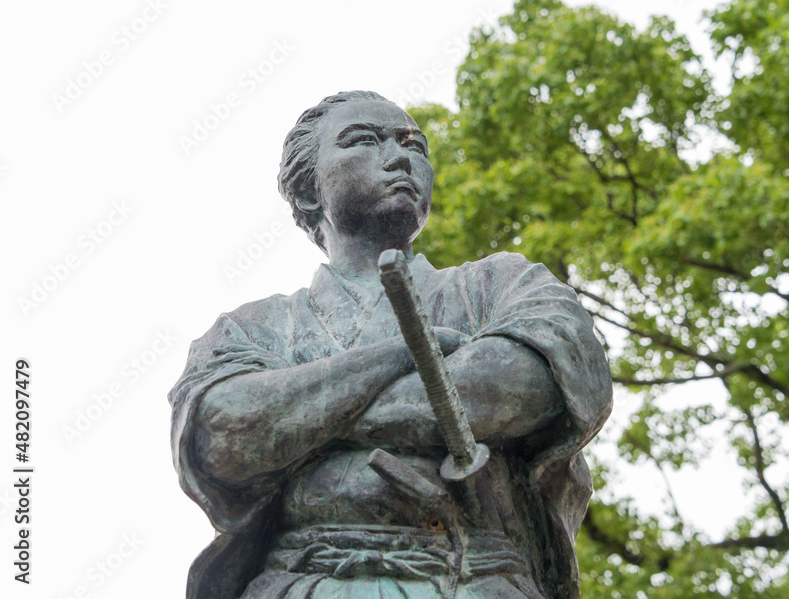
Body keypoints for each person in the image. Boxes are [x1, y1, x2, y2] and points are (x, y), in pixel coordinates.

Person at [169, 91, 613, 598]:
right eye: (363, 141)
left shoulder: (503, 285)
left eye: (414, 146)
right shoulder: (254, 328)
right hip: (301, 580)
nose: (401, 156)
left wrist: (305, 421)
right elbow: (222, 434)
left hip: (474, 579)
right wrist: (401, 354)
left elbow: (529, 383)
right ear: (310, 190)